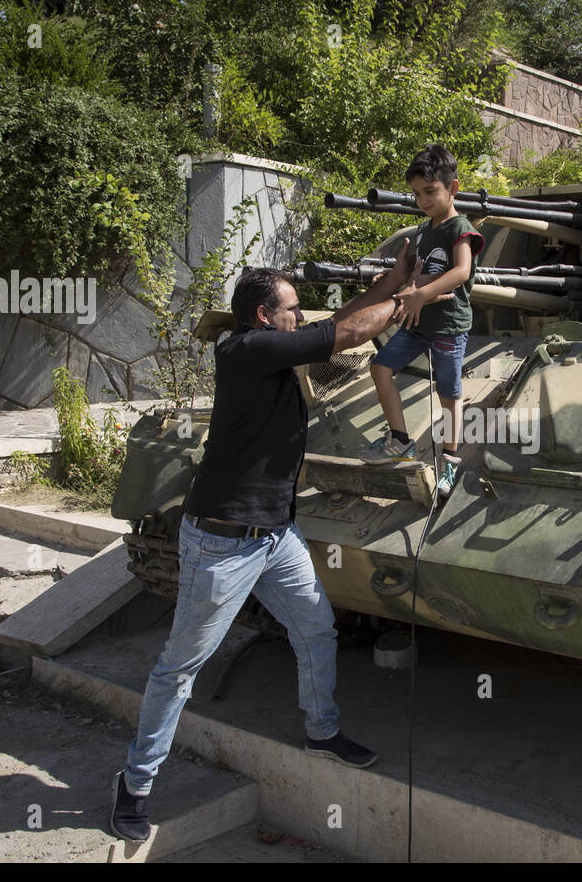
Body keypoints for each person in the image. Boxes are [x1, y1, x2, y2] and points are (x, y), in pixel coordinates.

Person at [110, 246, 421, 842]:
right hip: (223, 543)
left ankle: (321, 731)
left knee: (316, 628)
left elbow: (338, 321)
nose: (298, 318)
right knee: (180, 668)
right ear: (261, 317)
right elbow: (349, 332)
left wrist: (395, 278)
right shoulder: (246, 350)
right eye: (291, 310)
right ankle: (136, 782)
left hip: (278, 535)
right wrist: (412, 301)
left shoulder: (275, 342)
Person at [358, 144, 484, 499]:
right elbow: (415, 271)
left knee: (449, 395)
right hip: (418, 323)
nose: (423, 200)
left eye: (430, 191)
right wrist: (398, 286)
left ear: (453, 188)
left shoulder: (460, 228)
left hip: (448, 325)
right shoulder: (424, 229)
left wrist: (421, 295)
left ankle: (450, 461)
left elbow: (461, 271)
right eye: (417, 194)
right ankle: (399, 440)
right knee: (380, 368)